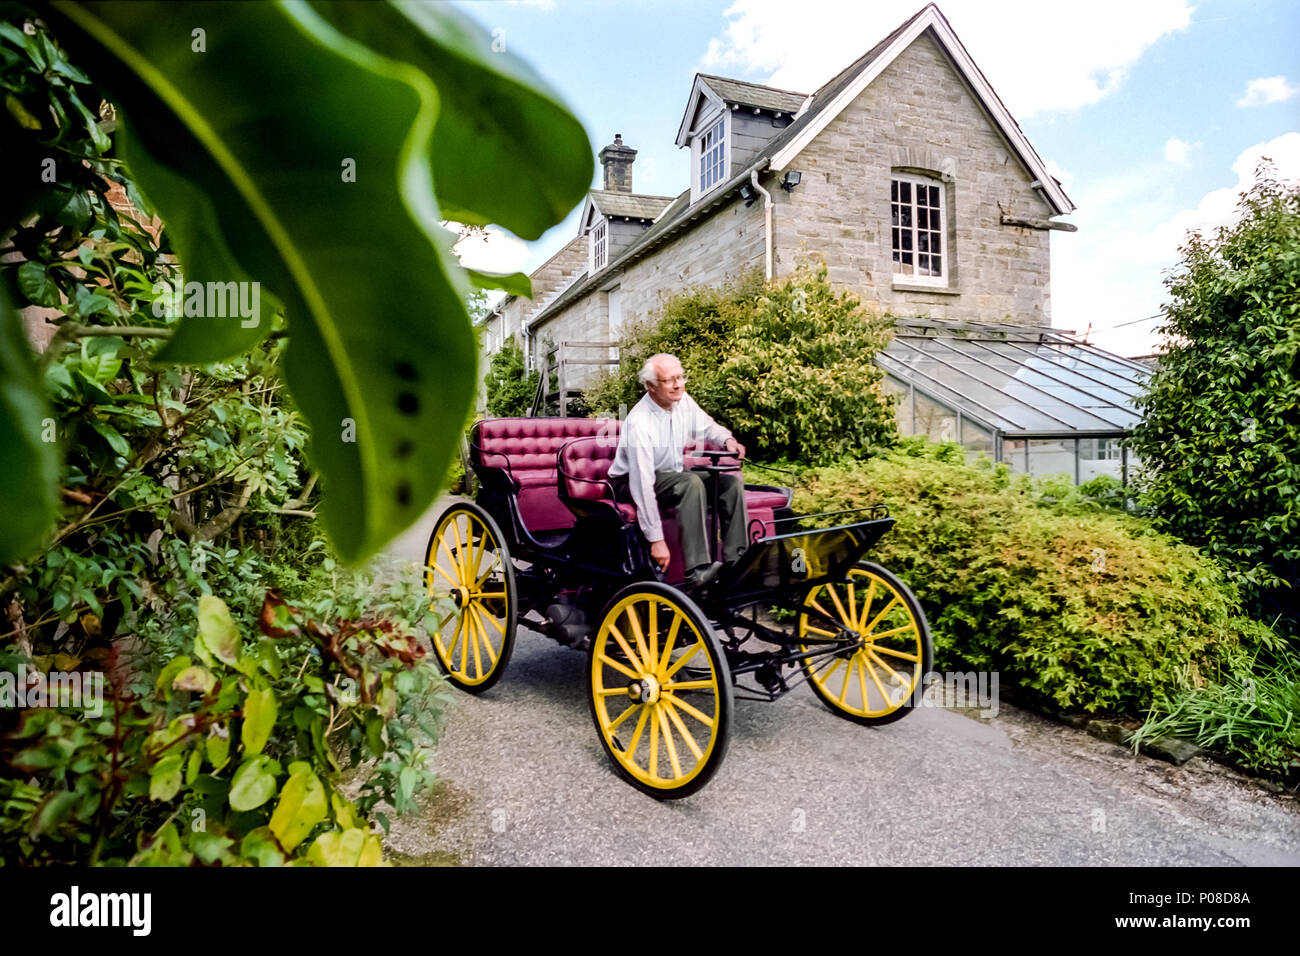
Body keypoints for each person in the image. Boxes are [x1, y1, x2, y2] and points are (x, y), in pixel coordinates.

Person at [609, 353, 747, 589]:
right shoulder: (639, 422)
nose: (678, 384)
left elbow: (706, 425)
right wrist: (656, 539)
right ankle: (697, 571)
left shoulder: (682, 401)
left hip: (670, 473)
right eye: (670, 380)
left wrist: (727, 440)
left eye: (680, 377)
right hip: (629, 481)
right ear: (650, 386)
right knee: (689, 483)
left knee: (729, 484)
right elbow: (642, 485)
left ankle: (738, 562)